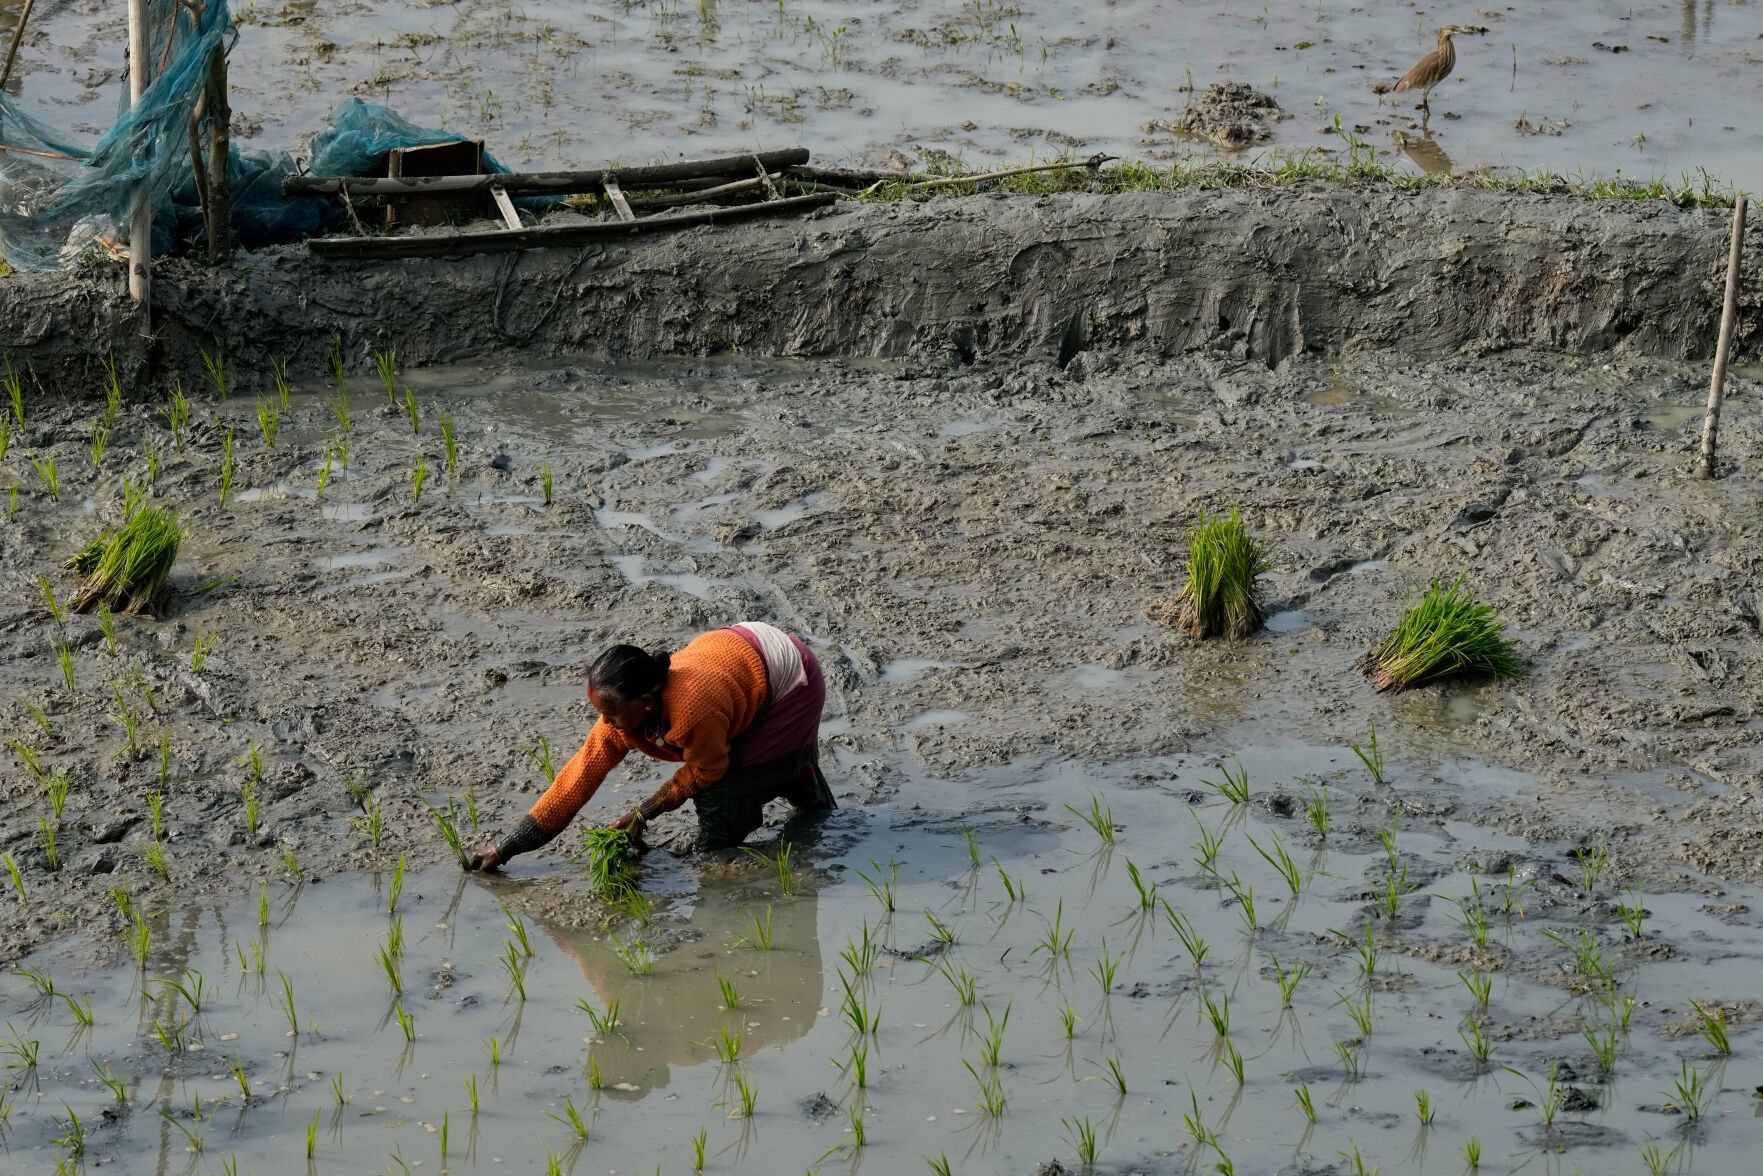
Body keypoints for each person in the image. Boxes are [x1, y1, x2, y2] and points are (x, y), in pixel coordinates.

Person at [468, 621, 833, 870]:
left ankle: (724, 853)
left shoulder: (692, 709)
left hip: (790, 679)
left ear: (645, 702)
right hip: (741, 662)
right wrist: (506, 848)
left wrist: (644, 812)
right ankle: (809, 796)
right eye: (601, 713)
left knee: (723, 787)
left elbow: (708, 770)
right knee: (745, 760)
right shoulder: (620, 719)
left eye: (611, 713)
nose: (605, 723)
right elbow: (574, 782)